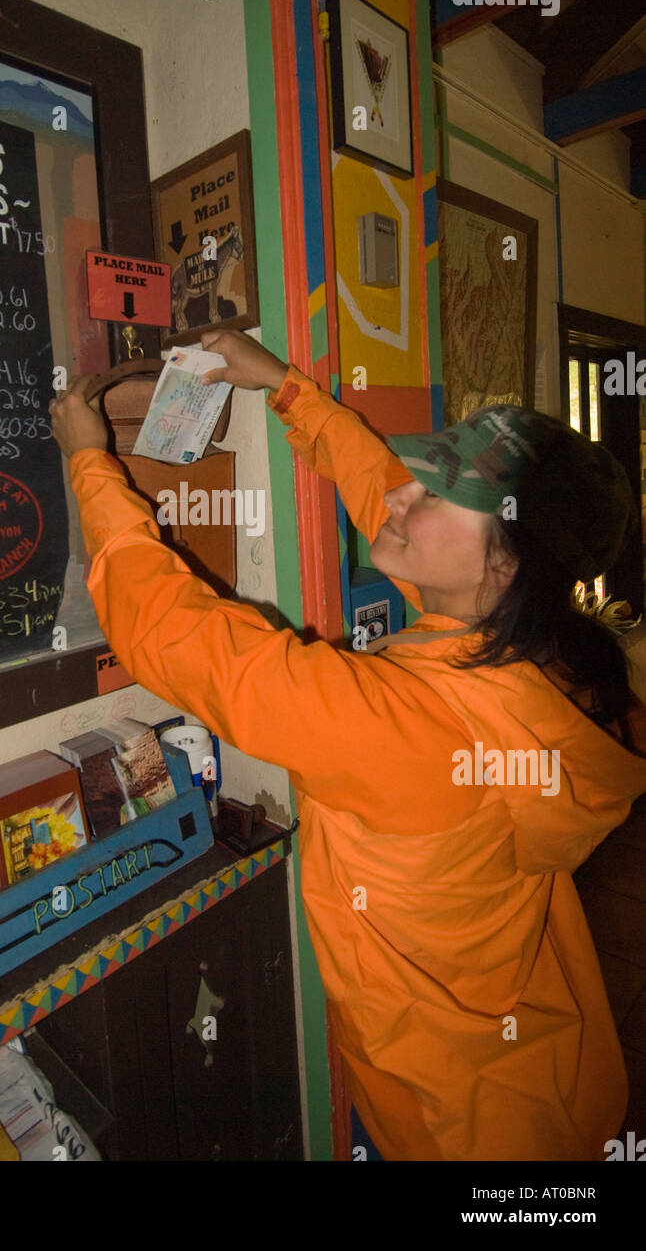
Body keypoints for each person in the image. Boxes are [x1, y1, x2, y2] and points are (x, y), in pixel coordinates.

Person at [49, 328, 646, 1162]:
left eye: (434, 497)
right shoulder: (533, 656)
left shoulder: (411, 727)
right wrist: (285, 388)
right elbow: (385, 490)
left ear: (507, 566)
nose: (404, 499)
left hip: (459, 1127)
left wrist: (88, 462)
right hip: (544, 1069)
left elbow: (178, 639)